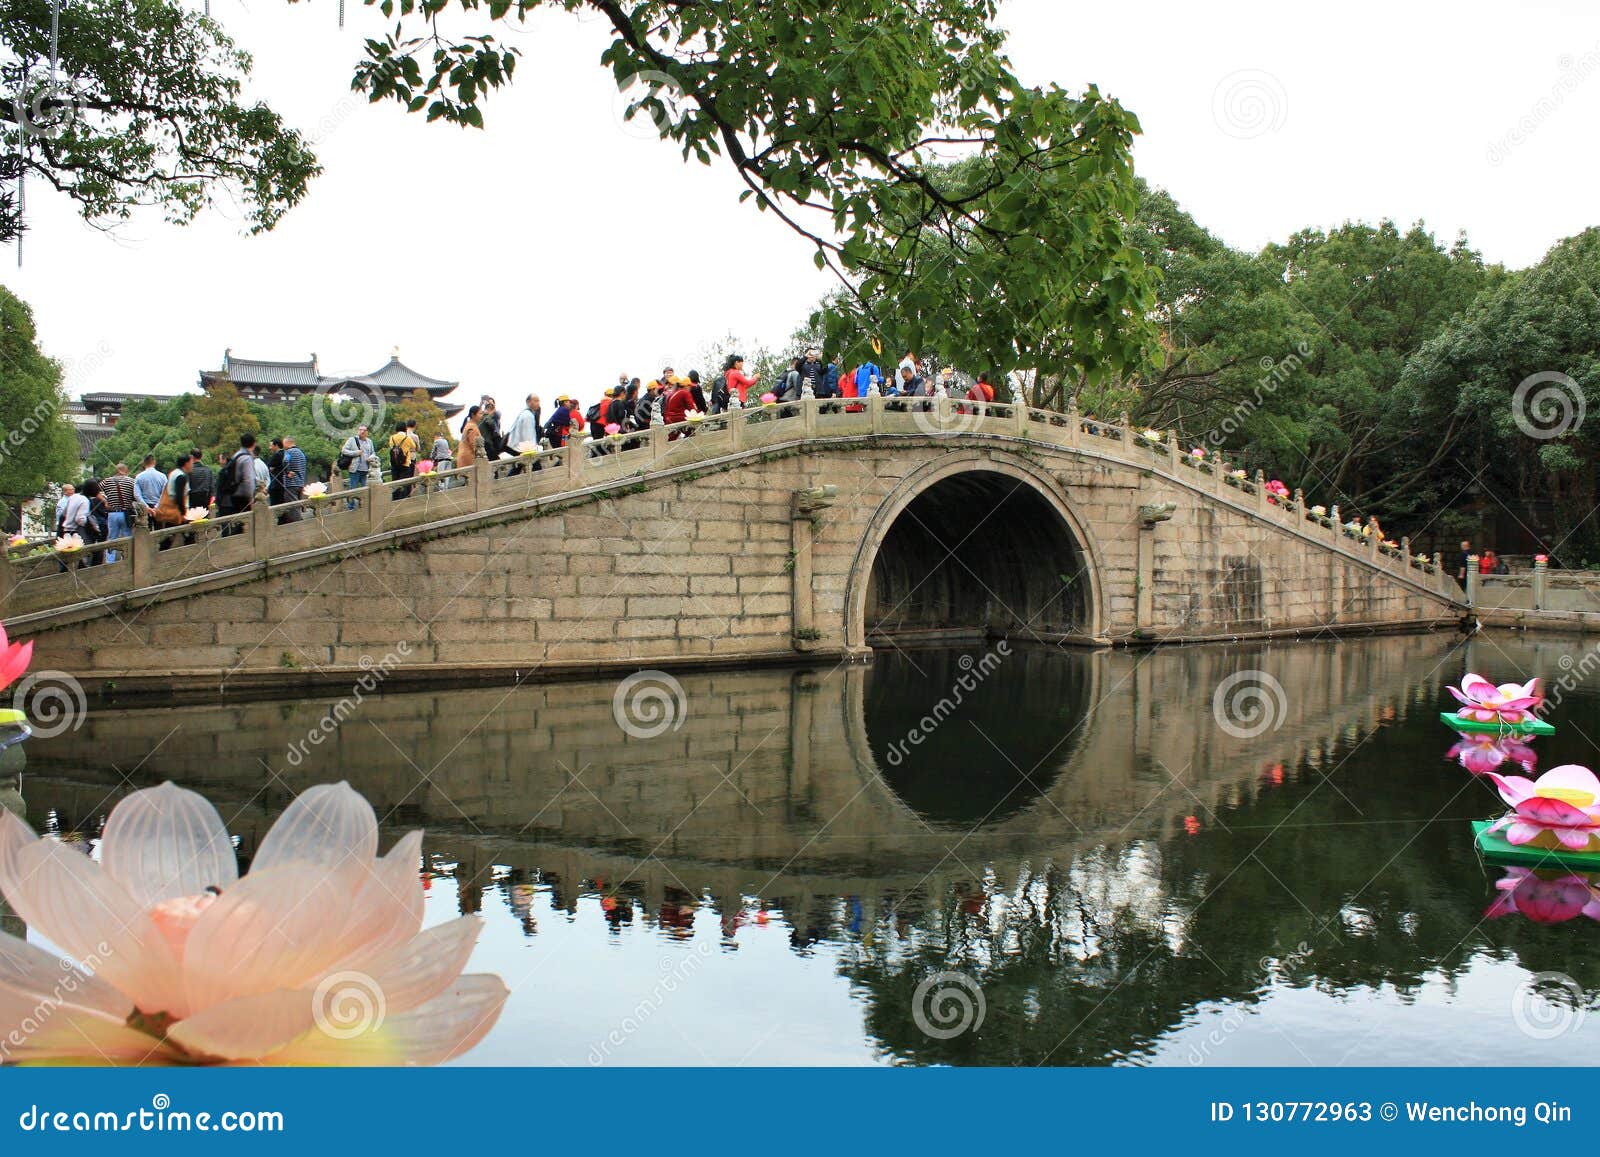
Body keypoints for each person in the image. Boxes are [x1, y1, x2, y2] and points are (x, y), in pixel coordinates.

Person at [99, 462, 136, 559]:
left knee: (112, 538)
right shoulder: (131, 481)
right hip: (126, 513)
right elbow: (136, 495)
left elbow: (96, 490)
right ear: (126, 471)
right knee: (127, 537)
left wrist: (105, 500)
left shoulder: (107, 481)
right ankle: (127, 558)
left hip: (112, 513)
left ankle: (110, 560)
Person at [341, 424, 377, 509]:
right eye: (360, 430)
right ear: (358, 431)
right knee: (353, 489)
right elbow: (344, 451)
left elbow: (373, 452)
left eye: (364, 430)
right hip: (355, 469)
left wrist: (371, 458)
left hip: (366, 469)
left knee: (366, 489)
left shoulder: (369, 441)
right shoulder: (352, 440)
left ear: (367, 432)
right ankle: (351, 507)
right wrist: (356, 453)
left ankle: (364, 506)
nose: (362, 432)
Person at [279, 436, 307, 521]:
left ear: (287, 443)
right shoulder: (301, 453)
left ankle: (298, 526)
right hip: (300, 483)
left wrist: (287, 472)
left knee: (293, 508)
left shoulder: (288, 452)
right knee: (297, 506)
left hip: (291, 484)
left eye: (283, 444)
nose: (283, 446)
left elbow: (285, 461)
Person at [388, 421, 417, 499]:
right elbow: (413, 446)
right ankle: (403, 498)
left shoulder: (392, 437)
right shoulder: (407, 438)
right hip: (405, 463)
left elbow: (391, 446)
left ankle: (395, 498)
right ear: (405, 428)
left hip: (394, 463)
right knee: (404, 482)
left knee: (395, 482)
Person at [186, 447, 215, 512]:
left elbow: (186, 488)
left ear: (191, 457)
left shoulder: (188, 471)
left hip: (192, 501)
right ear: (201, 457)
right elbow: (212, 487)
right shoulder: (208, 470)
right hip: (205, 500)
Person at [456, 406, 483, 471]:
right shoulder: (472, 427)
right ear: (473, 415)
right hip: (468, 458)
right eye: (480, 413)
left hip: (463, 457)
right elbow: (474, 445)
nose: (481, 416)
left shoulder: (469, 425)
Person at [266, 438, 287, 507]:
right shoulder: (285, 454)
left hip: (276, 484)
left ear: (276, 445)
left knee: (275, 505)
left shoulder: (277, 455)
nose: (269, 448)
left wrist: (271, 468)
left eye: (271, 445)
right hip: (283, 483)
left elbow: (269, 468)